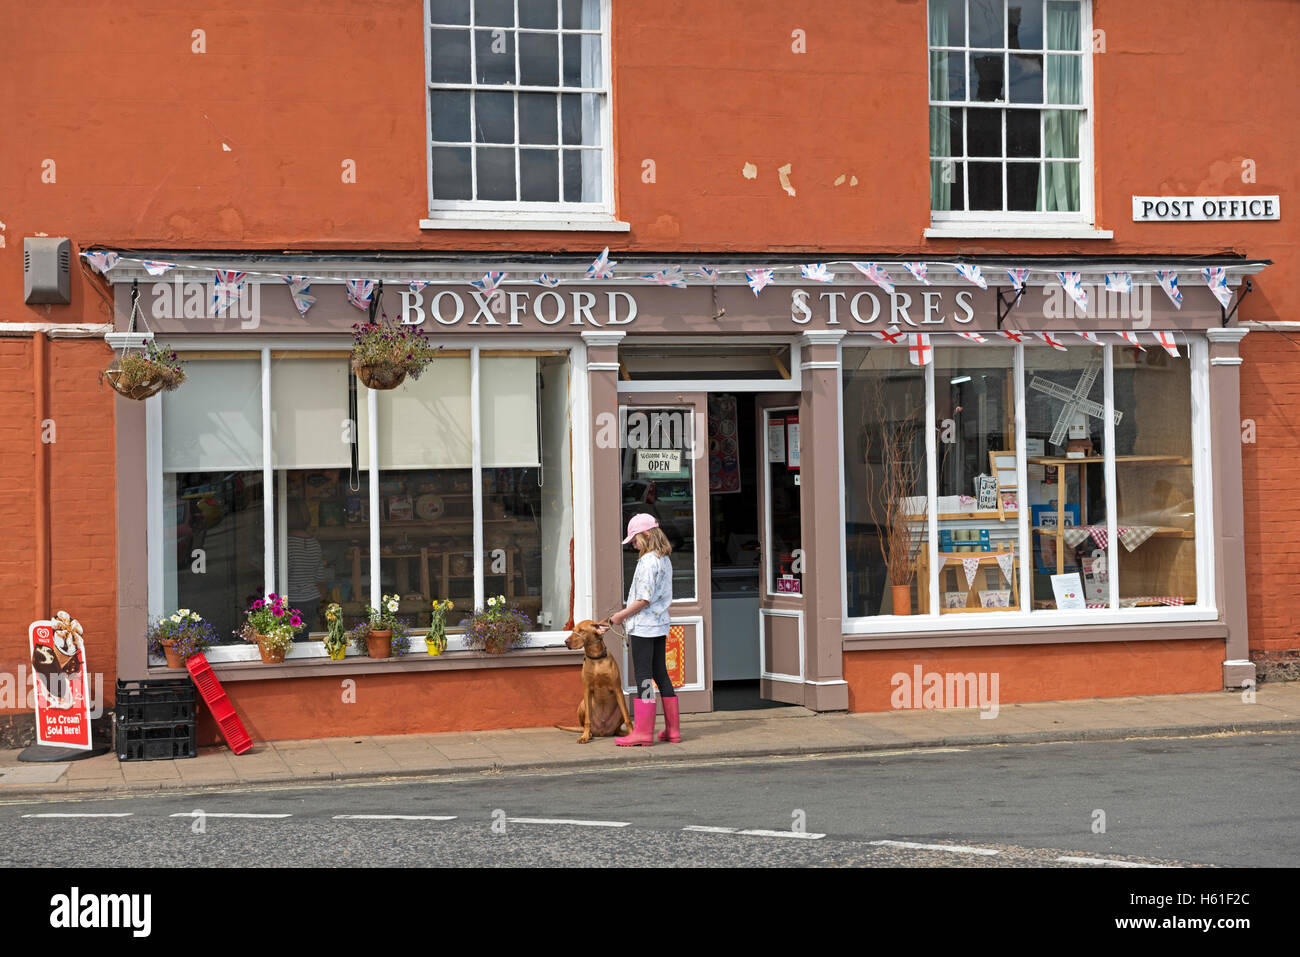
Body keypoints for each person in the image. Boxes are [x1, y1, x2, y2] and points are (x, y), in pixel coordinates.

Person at [611, 513, 680, 746]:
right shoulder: (664, 558)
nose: (633, 543)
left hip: (643, 626)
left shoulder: (648, 561)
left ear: (647, 535)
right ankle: (673, 730)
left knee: (643, 677)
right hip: (660, 624)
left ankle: (643, 732)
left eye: (635, 538)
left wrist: (620, 615)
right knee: (660, 673)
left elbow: (643, 599)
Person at [286, 500, 326, 634]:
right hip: (311, 599)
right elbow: (319, 577)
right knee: (305, 638)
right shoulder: (315, 543)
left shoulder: (284, 544)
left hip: (291, 600)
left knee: (292, 641)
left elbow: (279, 573)